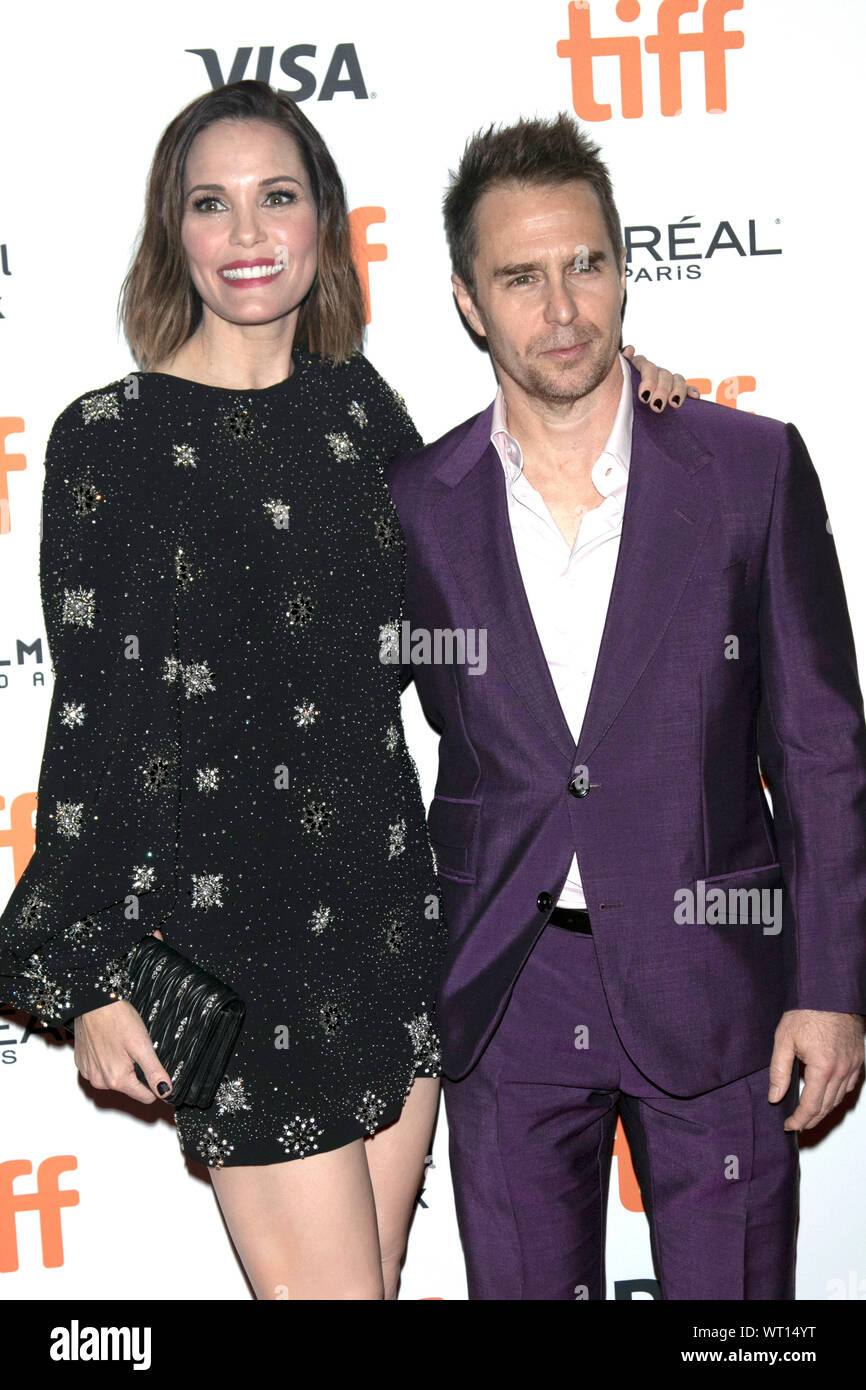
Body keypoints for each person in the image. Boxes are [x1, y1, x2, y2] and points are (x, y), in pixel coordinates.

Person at [0, 80, 686, 1300]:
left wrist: (631, 398)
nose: (249, 233)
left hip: (386, 922)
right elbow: (95, 720)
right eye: (211, 205)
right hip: (228, 945)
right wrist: (94, 967)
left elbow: (496, 553)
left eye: (278, 198)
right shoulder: (108, 440)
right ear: (175, 232)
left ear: (324, 221)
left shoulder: (361, 416)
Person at [386, 113, 866, 1300]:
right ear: (465, 299)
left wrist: (831, 985)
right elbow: (338, 739)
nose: (561, 309)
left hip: (720, 980)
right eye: (520, 277)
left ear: (621, 266)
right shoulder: (413, 502)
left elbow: (817, 749)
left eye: (584, 265)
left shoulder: (746, 467)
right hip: (507, 988)